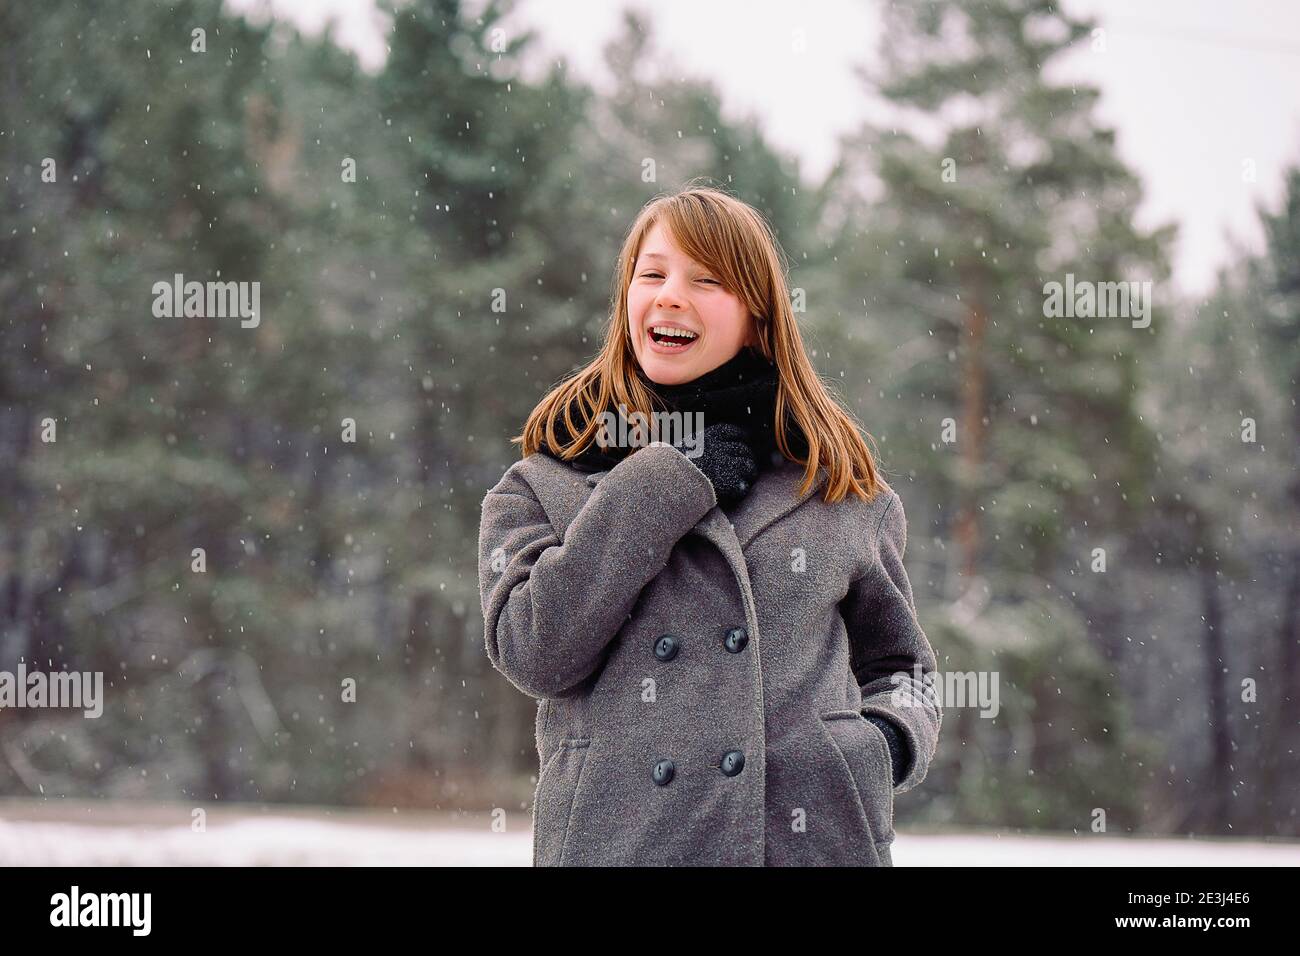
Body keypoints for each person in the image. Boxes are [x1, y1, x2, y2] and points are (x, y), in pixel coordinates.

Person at [478, 182, 941, 866]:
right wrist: (663, 481)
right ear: (627, 301)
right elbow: (534, 653)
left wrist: (877, 747)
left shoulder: (839, 491)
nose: (670, 295)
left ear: (757, 316)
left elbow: (907, 669)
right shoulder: (543, 486)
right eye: (653, 274)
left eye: (706, 280)